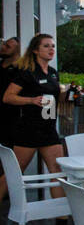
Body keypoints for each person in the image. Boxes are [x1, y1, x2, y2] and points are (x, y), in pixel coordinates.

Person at [2, 33, 68, 209]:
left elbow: (55, 98)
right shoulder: (27, 72)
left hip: (49, 128)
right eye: (46, 46)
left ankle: (61, 216)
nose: (51, 49)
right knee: (14, 173)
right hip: (29, 129)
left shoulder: (53, 73)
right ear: (35, 50)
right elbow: (8, 97)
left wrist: (68, 94)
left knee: (58, 171)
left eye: (53, 46)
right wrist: (31, 100)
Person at [0, 35, 22, 202]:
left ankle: (7, 193)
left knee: (7, 155)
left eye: (8, 46)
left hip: (10, 119)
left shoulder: (20, 70)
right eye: (4, 45)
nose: (4, 47)